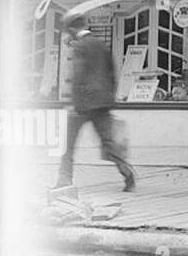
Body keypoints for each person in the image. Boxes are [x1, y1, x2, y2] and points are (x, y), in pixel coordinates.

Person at [54, 12, 136, 192]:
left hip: (82, 105)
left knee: (68, 144)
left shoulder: (80, 46)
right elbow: (112, 72)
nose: (68, 35)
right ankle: (127, 173)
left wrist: (74, 103)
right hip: (102, 103)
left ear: (73, 29)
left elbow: (79, 75)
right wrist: (109, 97)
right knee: (109, 142)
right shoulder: (101, 44)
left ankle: (63, 181)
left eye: (68, 31)